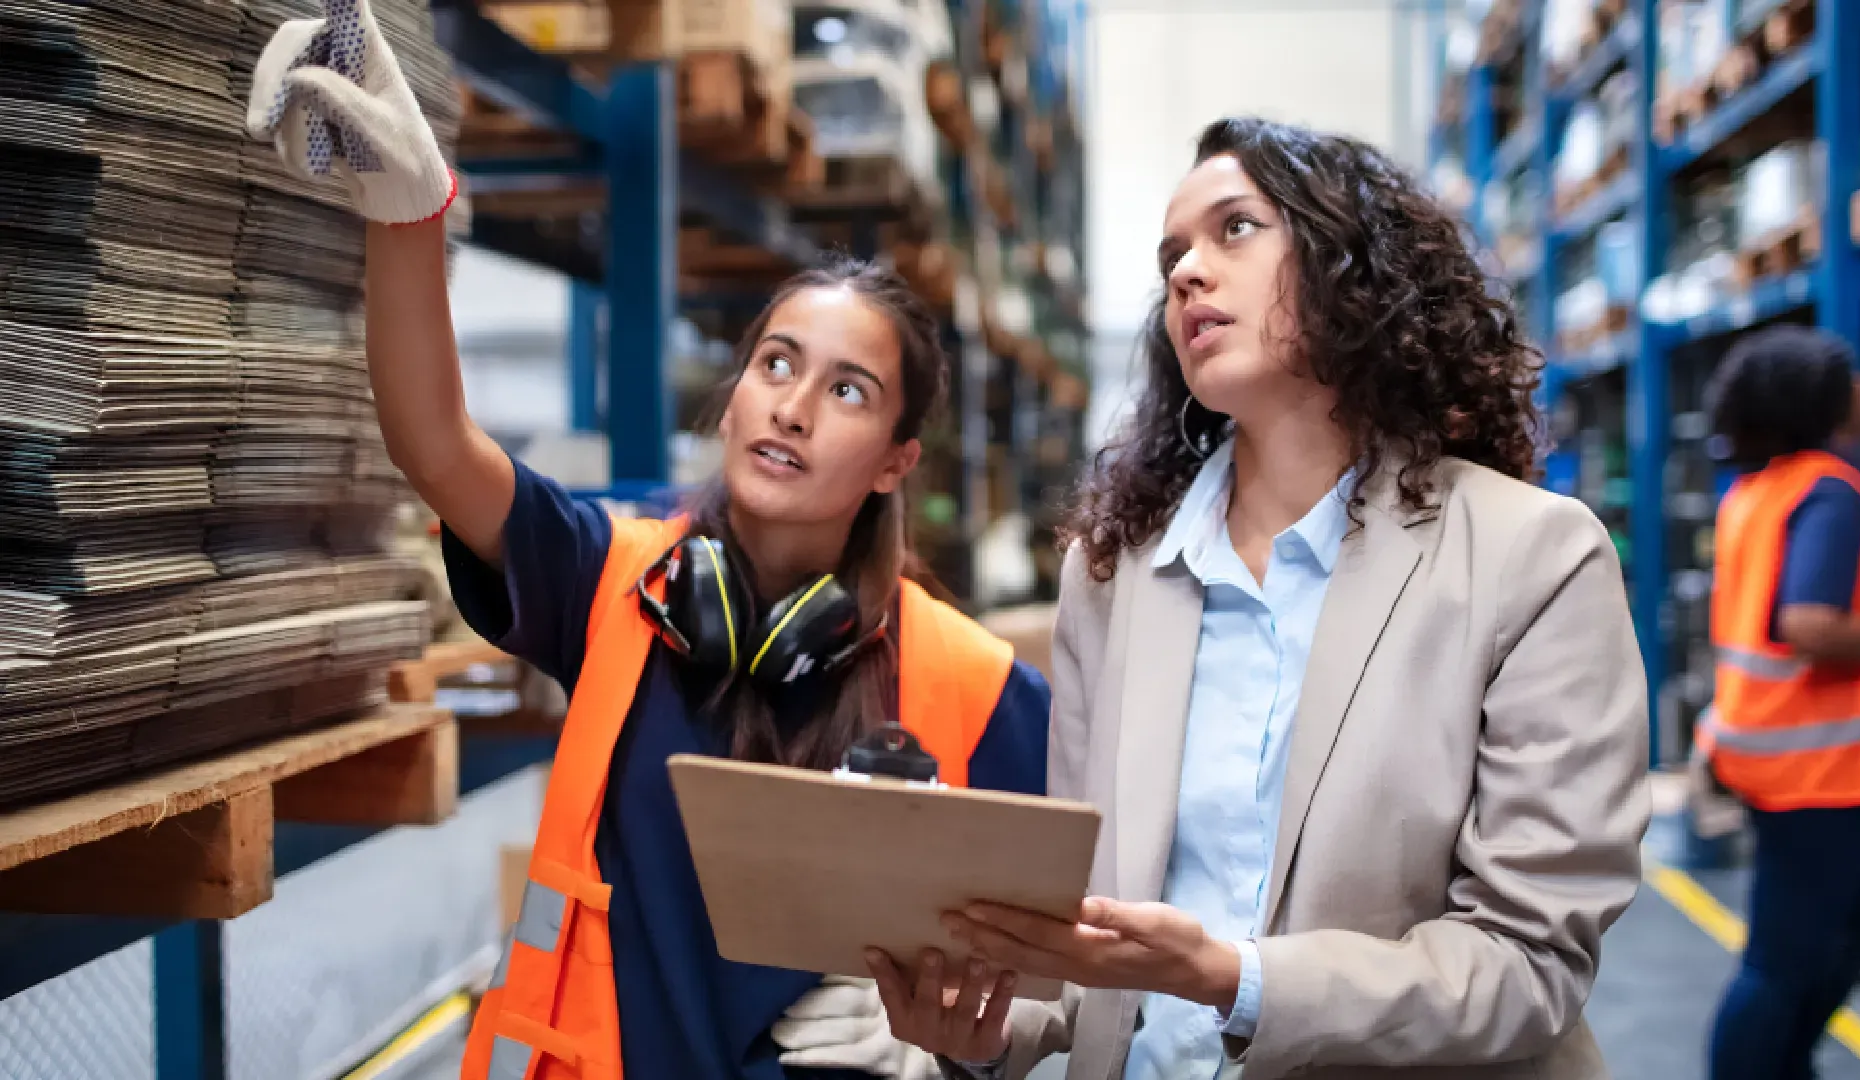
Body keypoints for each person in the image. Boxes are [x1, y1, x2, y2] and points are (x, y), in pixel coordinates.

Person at [243, 6, 1051, 1080]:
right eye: (775, 364)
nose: (793, 407)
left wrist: (962, 1050)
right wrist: (411, 219)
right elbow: (435, 446)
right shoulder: (615, 584)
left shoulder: (975, 687)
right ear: (733, 395)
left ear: (897, 462)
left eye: (848, 390)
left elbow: (1086, 953)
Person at [868, 117, 1652, 1079]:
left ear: (1349, 264)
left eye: (1234, 228)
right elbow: (1084, 955)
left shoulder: (1530, 556)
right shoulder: (1113, 576)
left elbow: (1527, 964)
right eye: (1172, 257)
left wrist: (1233, 980)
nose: (1189, 273)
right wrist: (988, 1037)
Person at [1696, 325, 1860, 1080]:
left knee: (1856, 928)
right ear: (1820, 399)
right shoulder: (1830, 488)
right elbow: (1810, 625)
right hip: (1817, 767)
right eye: (1849, 374)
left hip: (1773, 745)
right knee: (1785, 960)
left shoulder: (1760, 489)